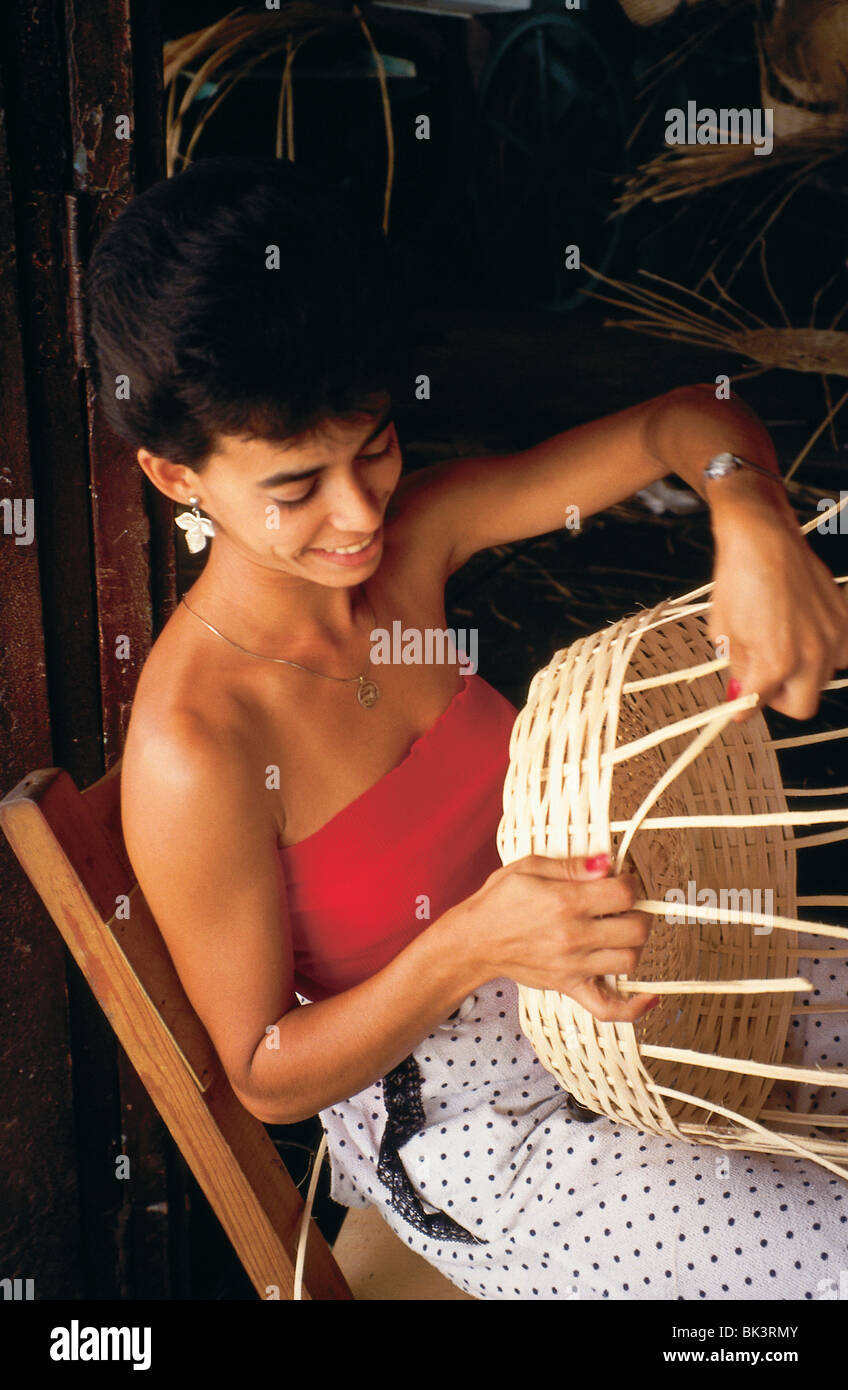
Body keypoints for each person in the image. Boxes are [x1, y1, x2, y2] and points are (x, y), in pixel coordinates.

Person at [86, 155, 848, 1300]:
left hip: (637, 969)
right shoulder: (198, 742)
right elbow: (263, 1075)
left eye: (375, 445)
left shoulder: (417, 545)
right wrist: (474, 943)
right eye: (294, 488)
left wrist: (748, 514)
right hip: (475, 1129)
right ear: (172, 474)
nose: (357, 515)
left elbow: (681, 423)